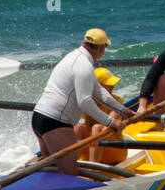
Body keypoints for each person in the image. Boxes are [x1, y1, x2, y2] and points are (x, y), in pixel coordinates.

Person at [32, 28, 135, 176]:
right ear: (101, 49)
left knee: (52, 170)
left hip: (39, 118)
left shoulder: (73, 57)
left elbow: (99, 92)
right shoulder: (84, 66)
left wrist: (123, 111)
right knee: (69, 173)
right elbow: (85, 102)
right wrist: (110, 122)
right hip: (56, 123)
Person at [74, 67, 128, 165]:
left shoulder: (116, 100)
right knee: (78, 127)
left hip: (115, 151)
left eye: (112, 84)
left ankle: (92, 169)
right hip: (93, 148)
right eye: (108, 85)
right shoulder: (85, 100)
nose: (112, 87)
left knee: (97, 127)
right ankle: (72, 165)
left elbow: (110, 122)